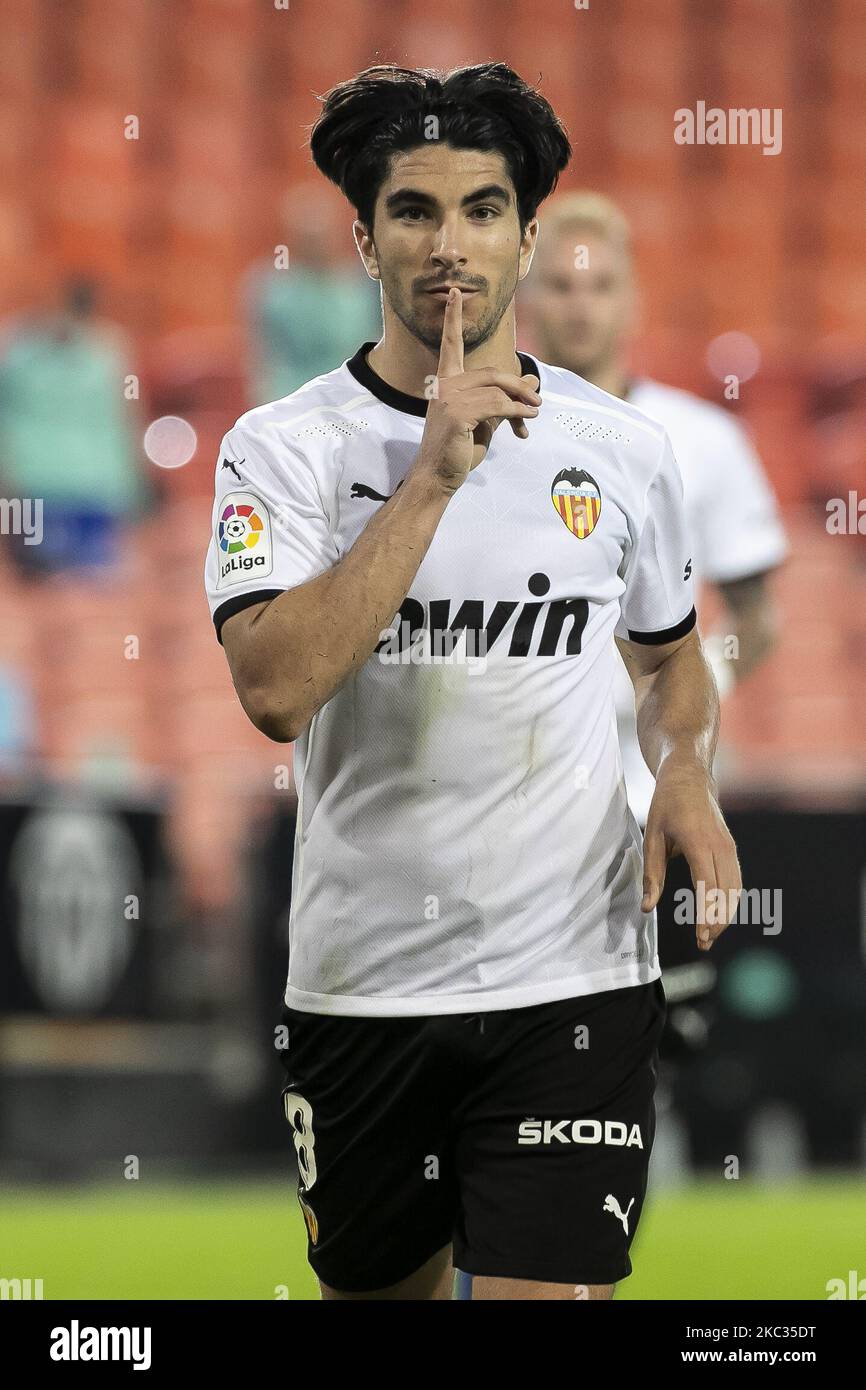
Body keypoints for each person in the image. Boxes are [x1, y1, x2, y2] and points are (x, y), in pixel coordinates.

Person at [204, 63, 741, 1301]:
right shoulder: (279, 451)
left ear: (526, 231)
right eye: (414, 211)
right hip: (361, 984)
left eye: (483, 209)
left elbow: (666, 660)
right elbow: (275, 692)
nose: (451, 244)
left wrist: (685, 768)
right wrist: (432, 478)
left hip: (574, 977)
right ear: (363, 237)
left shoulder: (620, 452)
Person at [526, 192, 787, 1059]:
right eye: (559, 284)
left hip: (658, 781)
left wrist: (701, 680)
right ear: (528, 295)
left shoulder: (699, 438)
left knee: (658, 1042)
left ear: (632, 299)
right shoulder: (483, 432)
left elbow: (757, 611)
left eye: (598, 287)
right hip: (529, 782)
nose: (578, 305)